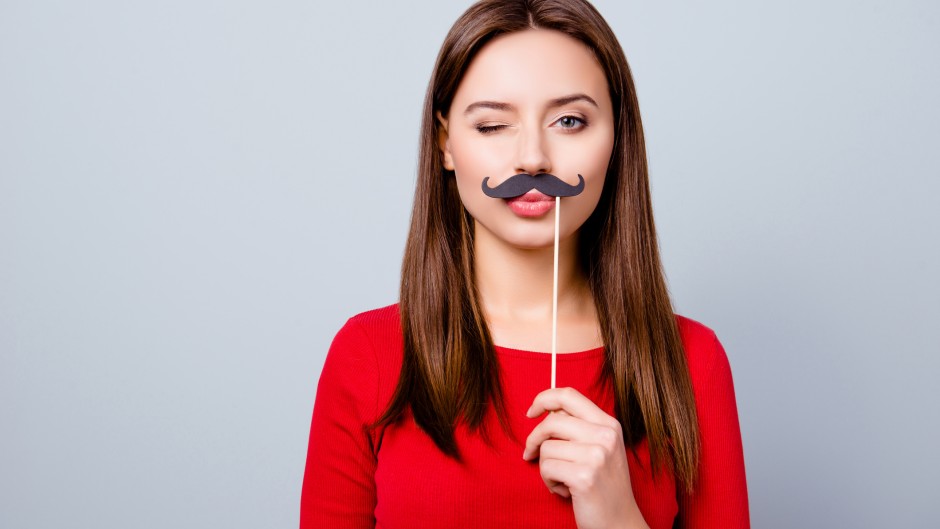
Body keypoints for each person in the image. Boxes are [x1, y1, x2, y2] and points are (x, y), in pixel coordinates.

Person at [300, 1, 749, 528]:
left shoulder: (693, 363)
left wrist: (619, 517)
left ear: (616, 138)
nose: (533, 158)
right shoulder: (369, 356)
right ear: (446, 142)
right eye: (493, 125)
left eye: (569, 121)